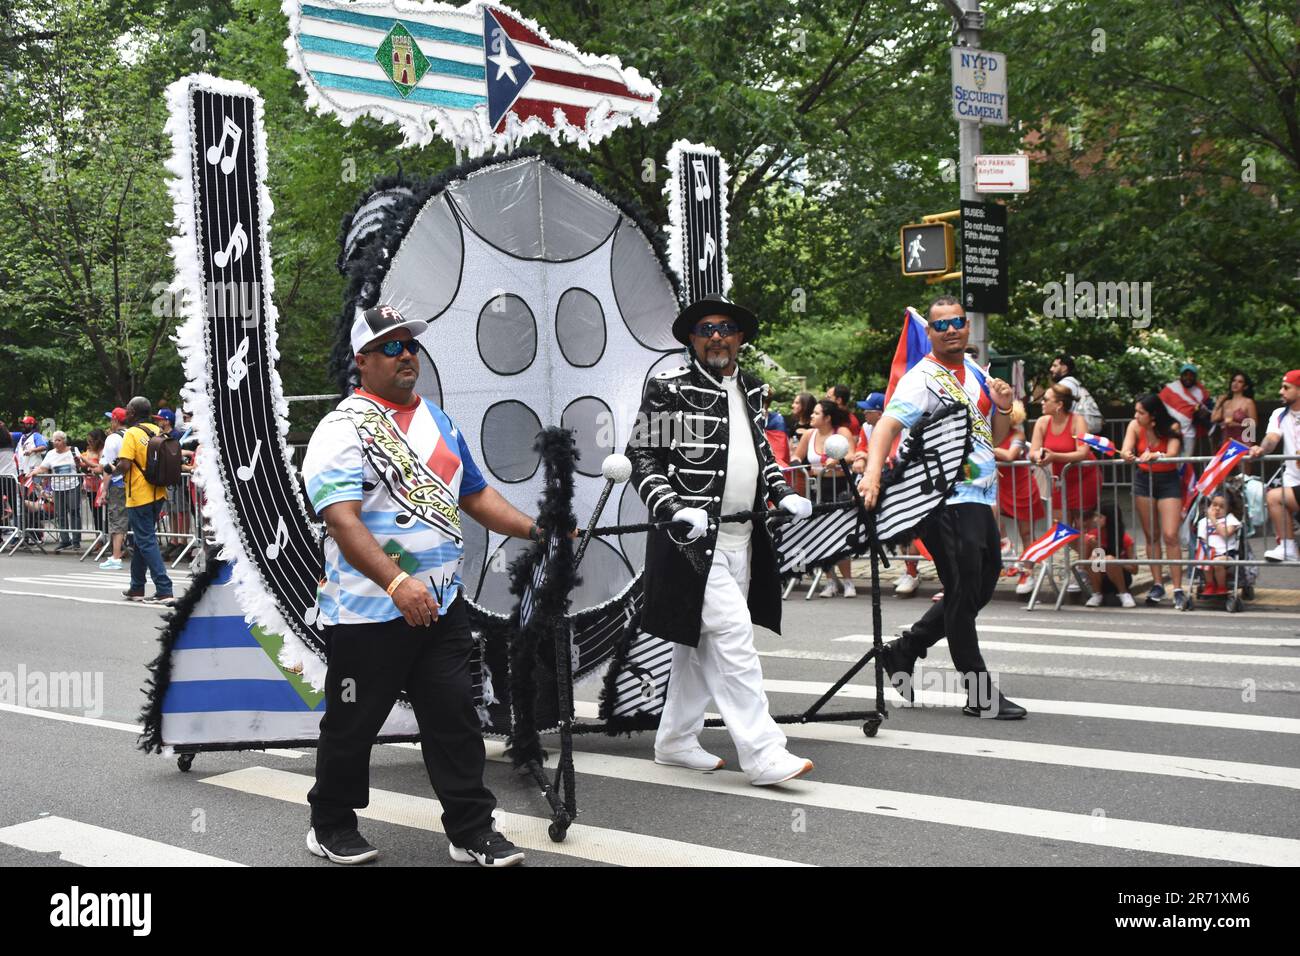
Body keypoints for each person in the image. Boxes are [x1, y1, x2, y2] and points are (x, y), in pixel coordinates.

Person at [301, 305, 532, 867]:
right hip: (369, 611)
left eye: (410, 345)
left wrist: (535, 529)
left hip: (442, 604)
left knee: (454, 714)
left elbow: (474, 495)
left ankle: (471, 827)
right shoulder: (341, 427)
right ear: (361, 361)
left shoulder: (439, 420)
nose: (406, 354)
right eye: (389, 347)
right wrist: (398, 581)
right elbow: (342, 518)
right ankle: (330, 823)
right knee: (354, 721)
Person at [626, 294, 816, 786]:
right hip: (692, 545)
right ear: (691, 339)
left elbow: (760, 456)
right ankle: (763, 753)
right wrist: (672, 509)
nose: (716, 336)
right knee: (732, 638)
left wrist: (781, 493)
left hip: (743, 537)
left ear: (740, 338)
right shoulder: (669, 389)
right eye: (705, 328)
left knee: (698, 644)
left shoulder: (754, 390)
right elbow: (641, 458)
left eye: (725, 327)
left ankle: (674, 741)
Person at [860, 295, 1027, 719]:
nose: (951, 329)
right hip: (943, 498)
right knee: (962, 590)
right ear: (930, 333)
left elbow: (996, 435)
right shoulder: (922, 379)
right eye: (941, 325)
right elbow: (886, 427)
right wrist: (873, 474)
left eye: (957, 322)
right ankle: (980, 694)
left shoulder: (973, 370)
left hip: (979, 497)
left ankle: (906, 649)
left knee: (979, 587)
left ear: (966, 328)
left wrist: (1004, 406)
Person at [1030, 383, 1101, 591]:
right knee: (1061, 528)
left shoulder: (1077, 421)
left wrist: (1054, 456)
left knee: (1084, 525)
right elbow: (1033, 450)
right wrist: (1040, 456)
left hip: (1083, 477)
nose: (1042, 403)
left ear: (1059, 405)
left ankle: (1089, 569)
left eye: (1046, 400)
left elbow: (1082, 451)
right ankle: (1086, 563)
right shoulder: (1043, 422)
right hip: (1059, 478)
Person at [1121, 394, 1186, 607]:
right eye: (1136, 411)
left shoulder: (1172, 426)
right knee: (1151, 535)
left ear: (1153, 415)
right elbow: (1125, 449)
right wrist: (1128, 455)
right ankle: (1157, 583)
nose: (1136, 415)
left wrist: (1158, 454)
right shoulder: (1134, 425)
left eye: (1141, 412)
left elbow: (1173, 452)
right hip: (1143, 479)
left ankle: (1177, 587)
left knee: (1170, 535)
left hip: (1168, 479)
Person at [110, 397, 174, 605]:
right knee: (141, 540)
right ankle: (137, 587)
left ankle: (164, 588)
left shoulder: (132, 434)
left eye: (128, 410)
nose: (126, 413)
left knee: (145, 540)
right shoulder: (157, 431)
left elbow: (125, 464)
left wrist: (112, 470)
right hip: (159, 491)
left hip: (139, 493)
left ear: (133, 413)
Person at [794, 400, 857, 598]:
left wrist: (837, 460)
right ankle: (830, 581)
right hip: (817, 488)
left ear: (827, 417)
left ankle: (848, 581)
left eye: (816, 413)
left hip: (839, 488)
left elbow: (852, 455)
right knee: (823, 536)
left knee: (840, 534)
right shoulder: (809, 435)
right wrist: (797, 466)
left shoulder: (841, 432)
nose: (811, 416)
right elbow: (797, 457)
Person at [1249, 369, 1300, 562]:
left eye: (1286, 387)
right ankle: (1287, 547)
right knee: (1274, 497)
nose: (1281, 391)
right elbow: (1271, 438)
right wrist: (1261, 449)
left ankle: (1288, 547)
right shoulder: (1279, 414)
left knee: (1274, 497)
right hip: (1292, 483)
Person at [994, 401, 1043, 594]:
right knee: (990, 513)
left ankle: (1027, 572)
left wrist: (988, 449)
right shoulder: (993, 435)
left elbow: (1010, 456)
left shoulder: (1018, 435)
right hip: (1001, 486)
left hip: (1022, 487)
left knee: (1027, 533)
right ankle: (1005, 543)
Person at [29, 431, 83, 552]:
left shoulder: (73, 450)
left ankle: (76, 541)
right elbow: (43, 467)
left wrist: (79, 463)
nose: (56, 443)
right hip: (57, 487)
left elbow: (81, 465)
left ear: (64, 441)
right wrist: (34, 472)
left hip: (73, 485)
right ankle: (65, 541)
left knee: (74, 511)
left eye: (59, 440)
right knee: (61, 514)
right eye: (54, 440)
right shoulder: (50, 454)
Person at [1080, 506, 1138, 607]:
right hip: (1100, 579)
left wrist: (1116, 561)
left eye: (1099, 517)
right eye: (1095, 516)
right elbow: (1083, 565)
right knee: (1093, 559)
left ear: (1110, 518)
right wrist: (1096, 549)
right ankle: (1097, 594)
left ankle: (1124, 594)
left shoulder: (1125, 538)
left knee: (1109, 560)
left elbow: (1134, 569)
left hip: (1121, 578)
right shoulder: (1092, 536)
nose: (1095, 519)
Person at [98, 408, 129, 570]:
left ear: (116, 421)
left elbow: (107, 466)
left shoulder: (112, 438)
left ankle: (116, 556)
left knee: (117, 519)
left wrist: (104, 489)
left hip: (117, 483)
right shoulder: (132, 435)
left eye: (112, 419)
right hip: (134, 483)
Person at [1161, 363, 1213, 455]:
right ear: (1181, 376)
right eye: (1185, 374)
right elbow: (1159, 406)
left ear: (1195, 376)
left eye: (1191, 375)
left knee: (1186, 461)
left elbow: (1209, 409)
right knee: (1171, 458)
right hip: (1172, 431)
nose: (1188, 377)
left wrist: (1202, 411)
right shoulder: (1170, 389)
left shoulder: (1201, 391)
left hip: (1190, 432)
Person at [1195, 492, 1241, 590]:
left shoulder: (1230, 519)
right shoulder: (1203, 522)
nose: (1217, 508)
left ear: (1228, 509)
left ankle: (1221, 587)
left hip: (1227, 554)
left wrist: (1213, 520)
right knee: (1206, 561)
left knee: (1217, 562)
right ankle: (1210, 585)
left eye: (1221, 506)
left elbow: (1225, 533)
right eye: (1214, 505)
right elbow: (1202, 539)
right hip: (1209, 552)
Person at [1047, 354, 1103, 433]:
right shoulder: (1074, 383)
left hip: (1078, 429)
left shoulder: (1065, 384)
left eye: (1055, 366)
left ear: (1064, 368)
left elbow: (1058, 409)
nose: (1051, 369)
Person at [1211, 370, 1257, 453]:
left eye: (1240, 382)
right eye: (1234, 381)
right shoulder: (1226, 403)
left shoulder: (1248, 402)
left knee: (1243, 465)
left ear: (1245, 386)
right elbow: (1213, 419)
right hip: (1227, 440)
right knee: (1227, 465)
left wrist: (1236, 424)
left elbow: (1254, 424)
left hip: (1243, 441)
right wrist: (1218, 403)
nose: (1235, 383)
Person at [80, 429, 105, 538]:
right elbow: (87, 469)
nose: (89, 444)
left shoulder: (102, 451)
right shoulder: (87, 452)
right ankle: (99, 538)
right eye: (88, 441)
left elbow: (100, 467)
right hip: (91, 488)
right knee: (96, 515)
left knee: (104, 514)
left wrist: (84, 460)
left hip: (102, 487)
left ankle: (107, 537)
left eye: (91, 441)